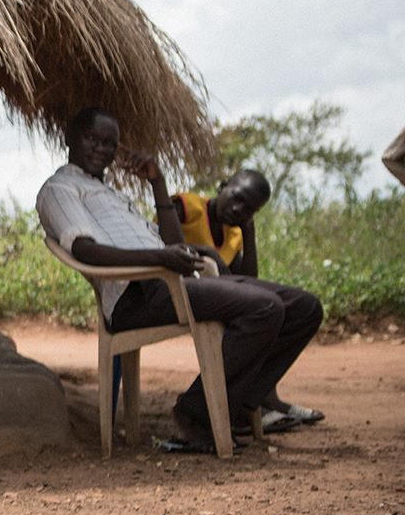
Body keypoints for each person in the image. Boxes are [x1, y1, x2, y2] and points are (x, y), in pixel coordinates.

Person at [38, 107, 322, 450]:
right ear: (70, 137)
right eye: (92, 139)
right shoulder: (61, 188)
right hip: (136, 296)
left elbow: (172, 245)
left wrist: (158, 183)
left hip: (172, 284)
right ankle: (197, 412)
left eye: (109, 143)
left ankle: (241, 403)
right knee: (264, 308)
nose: (101, 148)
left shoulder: (111, 194)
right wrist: (158, 259)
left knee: (305, 307)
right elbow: (84, 250)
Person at [174, 170, 324, 429]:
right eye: (237, 198)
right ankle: (217, 405)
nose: (238, 209)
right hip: (180, 294)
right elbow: (158, 242)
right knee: (266, 308)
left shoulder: (234, 234)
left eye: (249, 209)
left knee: (306, 308)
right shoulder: (186, 207)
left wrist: (248, 233)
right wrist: (207, 251)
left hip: (225, 300)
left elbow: (250, 283)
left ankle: (251, 399)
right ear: (223, 187)